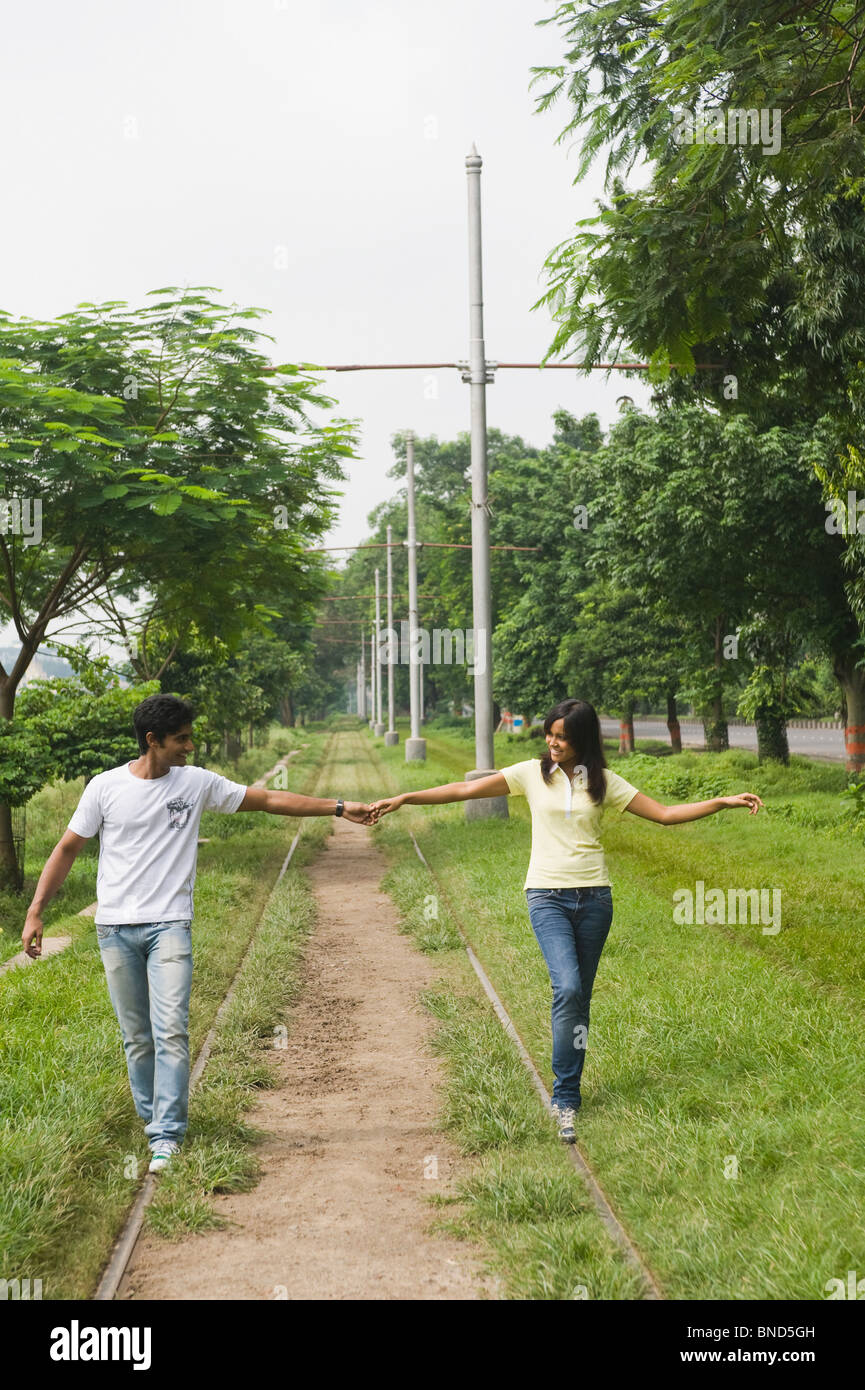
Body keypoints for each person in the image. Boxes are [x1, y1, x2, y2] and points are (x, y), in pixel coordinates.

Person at [371, 698, 763, 1144]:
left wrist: (722, 801)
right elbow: (462, 791)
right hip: (546, 896)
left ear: (582, 740)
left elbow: (666, 816)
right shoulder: (529, 774)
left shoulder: (604, 784)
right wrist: (405, 797)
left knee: (579, 1000)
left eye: (563, 736)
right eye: (550, 734)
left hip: (596, 899)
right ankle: (565, 1098)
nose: (553, 743)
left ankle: (569, 1091)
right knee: (569, 988)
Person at [22, 694, 376, 1174]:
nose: (190, 745)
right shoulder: (103, 789)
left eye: (190, 736)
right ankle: (154, 1122)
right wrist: (37, 911)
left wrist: (338, 807)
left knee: (170, 1030)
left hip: (170, 924)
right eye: (181, 738)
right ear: (153, 741)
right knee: (137, 1037)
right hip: (114, 929)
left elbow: (268, 799)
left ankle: (166, 1136)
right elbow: (67, 848)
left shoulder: (196, 783)